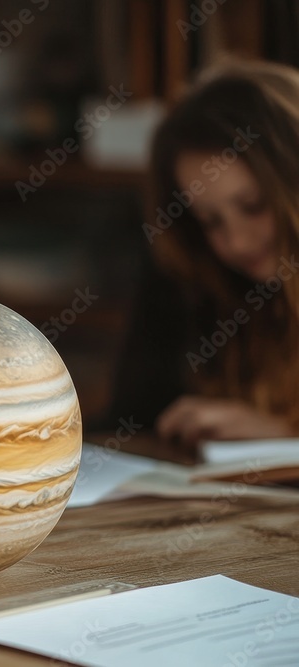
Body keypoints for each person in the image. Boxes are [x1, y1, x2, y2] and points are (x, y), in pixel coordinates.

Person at [112, 59, 299, 448]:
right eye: (211, 221)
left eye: (253, 206)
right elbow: (130, 416)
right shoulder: (194, 276)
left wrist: (284, 436)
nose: (238, 243)